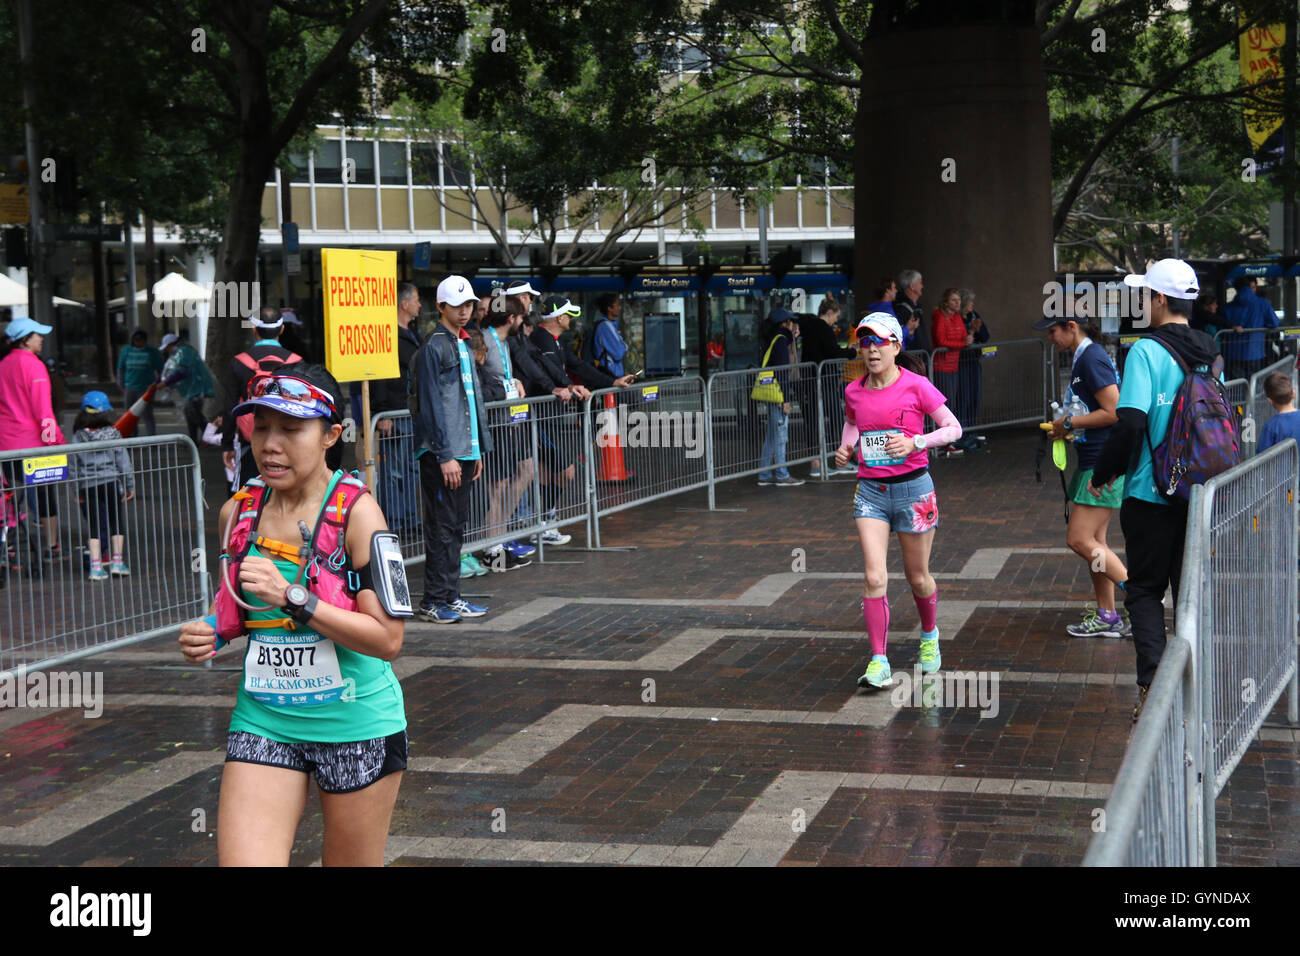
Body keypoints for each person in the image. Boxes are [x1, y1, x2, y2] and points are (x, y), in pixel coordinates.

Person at [177, 362, 408, 866]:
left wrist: (294, 598)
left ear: (331, 435)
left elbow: (388, 640)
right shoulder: (237, 512)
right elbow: (240, 611)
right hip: (265, 719)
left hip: (355, 724)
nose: (270, 444)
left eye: (291, 428)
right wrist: (213, 633)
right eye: (260, 427)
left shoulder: (359, 514)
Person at [1089, 258, 1217, 723]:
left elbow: (1131, 422)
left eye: (1145, 295)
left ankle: (1154, 694)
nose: (1142, 302)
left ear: (1159, 300)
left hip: (1151, 491)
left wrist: (1104, 473)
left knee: (1144, 591)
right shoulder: (1209, 349)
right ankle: (1193, 691)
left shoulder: (1145, 350)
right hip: (1199, 492)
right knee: (1188, 595)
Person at [834, 312, 962, 688]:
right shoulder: (854, 390)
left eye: (879, 342)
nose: (871, 350)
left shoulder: (917, 386)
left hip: (914, 491)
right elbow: (853, 422)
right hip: (870, 492)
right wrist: (846, 447)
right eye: (865, 342)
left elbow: (953, 428)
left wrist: (916, 442)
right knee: (874, 576)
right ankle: (878, 661)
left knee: (918, 577)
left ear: (895, 346)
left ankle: (929, 635)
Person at [1033, 314, 1131, 638]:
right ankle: (1108, 614)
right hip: (1094, 459)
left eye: (1053, 331)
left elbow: (1114, 411)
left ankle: (1143, 599)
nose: (1050, 338)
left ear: (1071, 326)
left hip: (1102, 463)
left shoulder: (1091, 357)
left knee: (1079, 539)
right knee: (1096, 543)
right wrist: (1068, 428)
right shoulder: (1085, 357)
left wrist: (1070, 425)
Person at [410, 275, 493, 623]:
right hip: (444, 455)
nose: (465, 311)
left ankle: (450, 596)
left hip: (463, 453)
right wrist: (445, 455)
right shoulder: (434, 346)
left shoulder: (460, 342)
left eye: (469, 305)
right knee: (442, 529)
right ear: (441, 307)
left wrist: (478, 451)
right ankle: (434, 600)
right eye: (457, 305)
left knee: (455, 528)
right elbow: (429, 405)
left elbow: (472, 403)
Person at [0, 316, 65, 564]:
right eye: (37, 335)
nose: (42, 338)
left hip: (5, 444)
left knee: (8, 495)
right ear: (26, 340)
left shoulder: (3, 364)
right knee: (45, 493)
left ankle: (10, 545)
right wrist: (56, 442)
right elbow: (44, 412)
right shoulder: (34, 366)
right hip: (34, 446)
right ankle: (51, 546)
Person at [222, 306, 303, 490]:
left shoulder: (239, 362)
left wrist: (227, 444)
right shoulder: (296, 362)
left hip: (250, 441)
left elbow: (229, 406)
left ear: (254, 329)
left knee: (247, 493)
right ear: (282, 329)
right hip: (288, 439)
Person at [369, 281, 423, 533]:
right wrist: (381, 412)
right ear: (404, 304)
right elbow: (380, 374)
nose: (420, 305)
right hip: (393, 411)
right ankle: (394, 521)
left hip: (409, 410)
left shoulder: (412, 332)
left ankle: (410, 519)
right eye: (416, 300)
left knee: (410, 468)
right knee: (393, 471)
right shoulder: (388, 334)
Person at [71, 391, 135, 580]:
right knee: (116, 522)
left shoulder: (78, 437)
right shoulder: (113, 434)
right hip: (110, 483)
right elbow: (123, 461)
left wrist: (76, 490)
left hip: (88, 486)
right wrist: (129, 484)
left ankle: (96, 567)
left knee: (94, 526)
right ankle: (117, 562)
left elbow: (73, 465)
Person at [797, 298, 858, 478]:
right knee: (835, 419)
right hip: (824, 380)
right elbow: (832, 351)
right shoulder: (823, 328)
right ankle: (840, 459)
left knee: (814, 421)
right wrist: (851, 352)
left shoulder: (810, 327)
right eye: (836, 316)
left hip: (811, 378)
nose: (836, 321)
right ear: (829, 313)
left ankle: (817, 462)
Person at [756, 308, 804, 487]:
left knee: (771, 435)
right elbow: (783, 373)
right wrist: (785, 399)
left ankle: (765, 472)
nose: (794, 325)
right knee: (780, 435)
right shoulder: (781, 341)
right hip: (778, 394)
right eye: (791, 322)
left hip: (770, 392)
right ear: (785, 324)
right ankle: (782, 474)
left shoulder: (772, 339)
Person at [930, 288, 970, 457]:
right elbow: (941, 341)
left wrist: (967, 338)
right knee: (944, 405)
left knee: (952, 403)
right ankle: (941, 443)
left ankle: (947, 440)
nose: (958, 303)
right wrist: (963, 344)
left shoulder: (957, 316)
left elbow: (963, 335)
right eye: (954, 300)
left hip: (953, 365)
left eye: (959, 300)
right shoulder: (940, 316)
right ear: (946, 302)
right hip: (942, 366)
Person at [160, 332, 215, 446]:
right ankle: (194, 441)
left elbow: (181, 372)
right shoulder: (180, 353)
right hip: (191, 390)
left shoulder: (183, 353)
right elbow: (170, 370)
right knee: (190, 415)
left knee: (196, 415)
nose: (167, 350)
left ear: (172, 344)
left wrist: (165, 383)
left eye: (167, 347)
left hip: (196, 388)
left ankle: (210, 438)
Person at [1221, 276, 1278, 381]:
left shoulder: (1228, 307)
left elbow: (1222, 325)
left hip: (1233, 352)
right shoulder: (1263, 303)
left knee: (1236, 385)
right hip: (1255, 351)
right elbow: (1274, 323)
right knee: (1254, 383)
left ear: (1236, 288)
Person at [955, 290, 990, 452]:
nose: (972, 305)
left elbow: (985, 335)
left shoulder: (974, 315)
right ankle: (961, 432)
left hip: (974, 360)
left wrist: (977, 328)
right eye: (970, 302)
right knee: (964, 397)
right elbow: (962, 339)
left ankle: (971, 429)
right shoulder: (956, 318)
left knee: (975, 396)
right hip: (961, 363)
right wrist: (972, 331)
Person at [116, 328, 165, 437]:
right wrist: (121, 384)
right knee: (130, 415)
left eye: (141, 340)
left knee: (147, 415)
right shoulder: (126, 351)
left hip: (146, 388)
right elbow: (121, 368)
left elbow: (162, 369)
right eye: (136, 340)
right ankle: (133, 438)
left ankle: (151, 439)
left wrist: (157, 384)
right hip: (130, 387)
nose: (138, 342)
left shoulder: (152, 352)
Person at [585, 293, 630, 377]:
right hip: (610, 375)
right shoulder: (605, 326)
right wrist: (625, 345)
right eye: (617, 305)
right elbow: (618, 353)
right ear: (609, 308)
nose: (620, 308)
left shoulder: (610, 325)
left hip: (612, 373)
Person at [1258, 371, 1300, 453]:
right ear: (1294, 394)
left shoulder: (1271, 426)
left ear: (1270, 401)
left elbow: (1262, 455)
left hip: (1281, 466)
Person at [894, 269, 930, 353]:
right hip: (912, 357)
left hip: (921, 357)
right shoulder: (901, 308)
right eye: (920, 283)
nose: (922, 286)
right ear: (912, 286)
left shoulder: (917, 307)